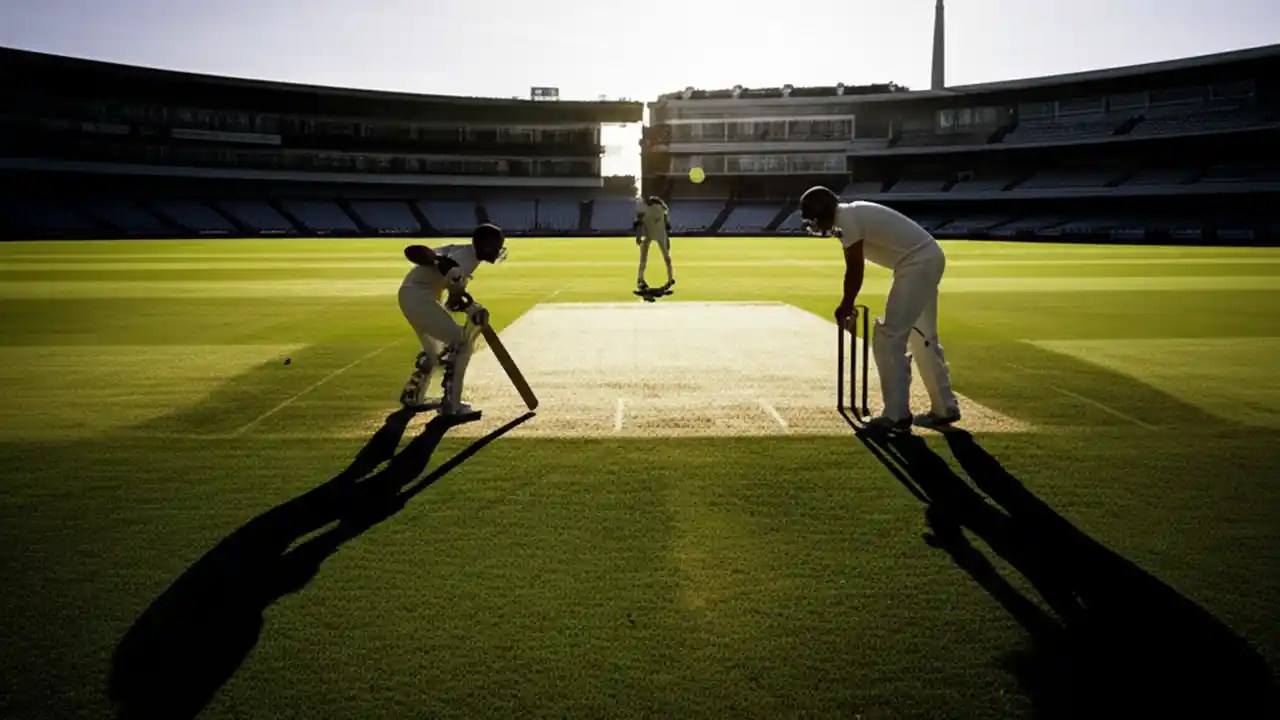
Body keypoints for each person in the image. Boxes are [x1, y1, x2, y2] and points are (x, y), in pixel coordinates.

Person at [799, 186, 960, 432]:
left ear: (822, 214)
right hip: (927, 257)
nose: (816, 228)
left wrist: (846, 305)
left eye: (814, 221)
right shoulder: (849, 214)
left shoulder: (846, 221)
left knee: (888, 337)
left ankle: (896, 416)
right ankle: (944, 407)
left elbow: (854, 269)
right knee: (922, 337)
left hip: (916, 263)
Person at [397, 223, 506, 418]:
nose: (498, 251)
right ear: (485, 244)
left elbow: (454, 298)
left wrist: (469, 304)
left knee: (435, 350)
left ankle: (412, 395)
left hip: (412, 295)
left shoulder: (463, 253)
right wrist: (471, 306)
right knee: (462, 345)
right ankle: (452, 405)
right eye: (497, 246)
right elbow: (455, 298)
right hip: (419, 298)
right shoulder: (463, 260)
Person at [634, 195, 675, 292]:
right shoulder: (648, 210)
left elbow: (665, 225)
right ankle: (640, 279)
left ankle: (669, 279)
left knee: (665, 258)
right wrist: (639, 235)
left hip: (659, 234)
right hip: (650, 234)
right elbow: (640, 223)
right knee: (645, 258)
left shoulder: (662, 211)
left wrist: (667, 239)